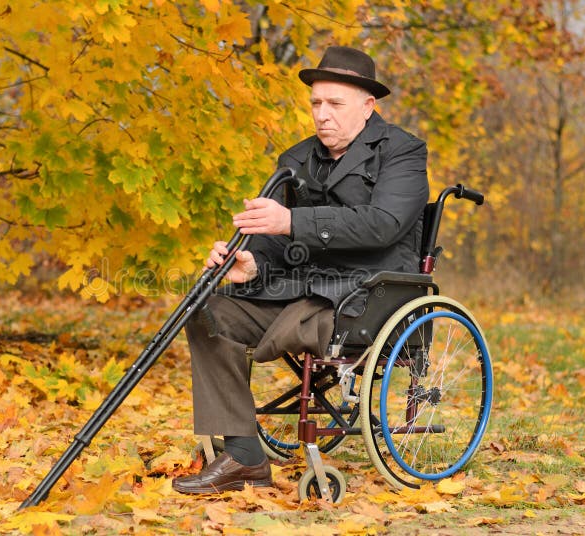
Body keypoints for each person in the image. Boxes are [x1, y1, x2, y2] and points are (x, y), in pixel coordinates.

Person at [172, 46, 429, 494]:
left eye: (335, 103)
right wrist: (251, 263)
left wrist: (291, 222)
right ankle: (243, 455)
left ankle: (246, 447)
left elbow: (384, 225)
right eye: (316, 103)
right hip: (300, 291)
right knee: (208, 307)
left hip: (369, 297)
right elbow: (271, 238)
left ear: (368, 106)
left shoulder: (403, 152)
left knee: (300, 315)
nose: (322, 114)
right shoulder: (296, 158)